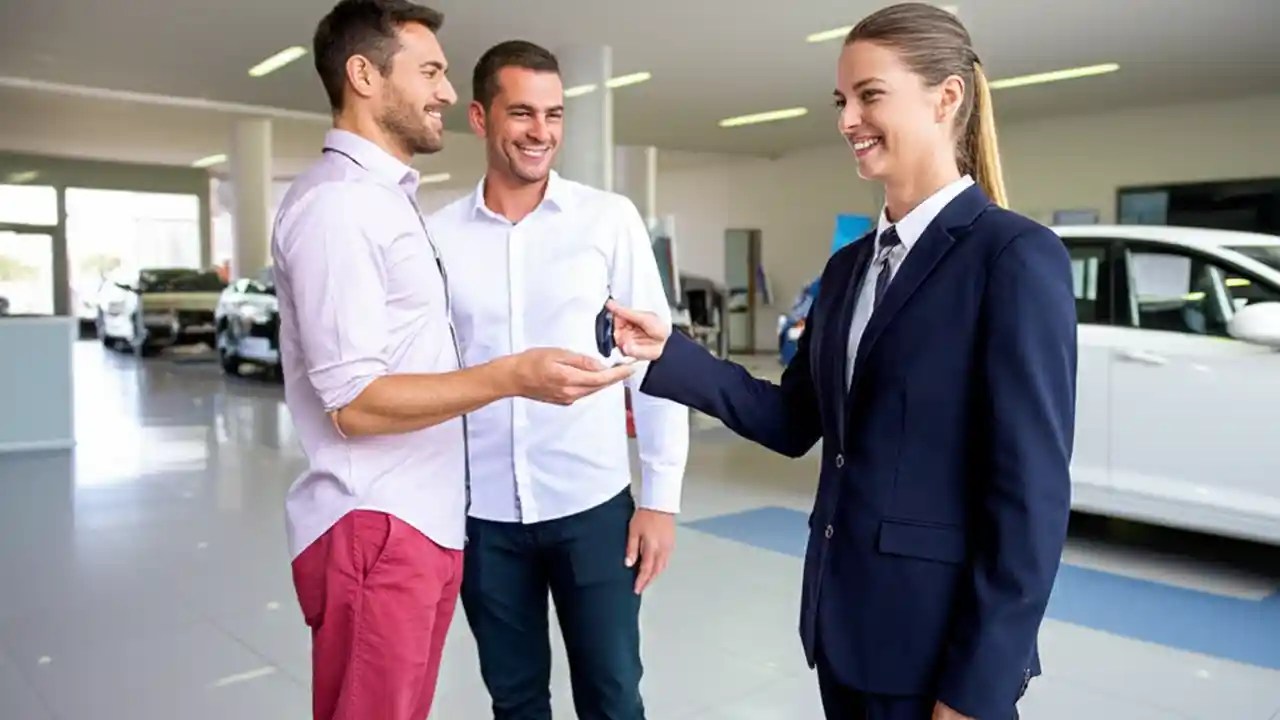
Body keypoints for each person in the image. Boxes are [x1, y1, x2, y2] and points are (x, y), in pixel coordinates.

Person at [607, 3, 1076, 719]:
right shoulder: (851, 267)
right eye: (842, 100)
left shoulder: (1011, 256)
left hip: (940, 650)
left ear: (946, 97)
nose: (847, 119)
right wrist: (670, 352)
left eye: (870, 95)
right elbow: (795, 419)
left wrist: (976, 685)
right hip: (845, 623)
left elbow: (1031, 499)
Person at [272, 4, 633, 719]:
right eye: (429, 70)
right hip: (379, 523)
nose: (440, 89)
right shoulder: (341, 205)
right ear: (364, 75)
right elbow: (354, 402)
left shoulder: (385, 201)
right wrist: (512, 376)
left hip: (426, 522)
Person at [426, 40, 689, 720]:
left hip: (593, 508)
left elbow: (653, 360)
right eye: (521, 113)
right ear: (480, 118)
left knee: (612, 694)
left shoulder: (608, 220)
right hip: (481, 516)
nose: (541, 132)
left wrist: (660, 500)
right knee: (514, 700)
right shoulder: (436, 236)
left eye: (554, 114)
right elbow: (428, 378)